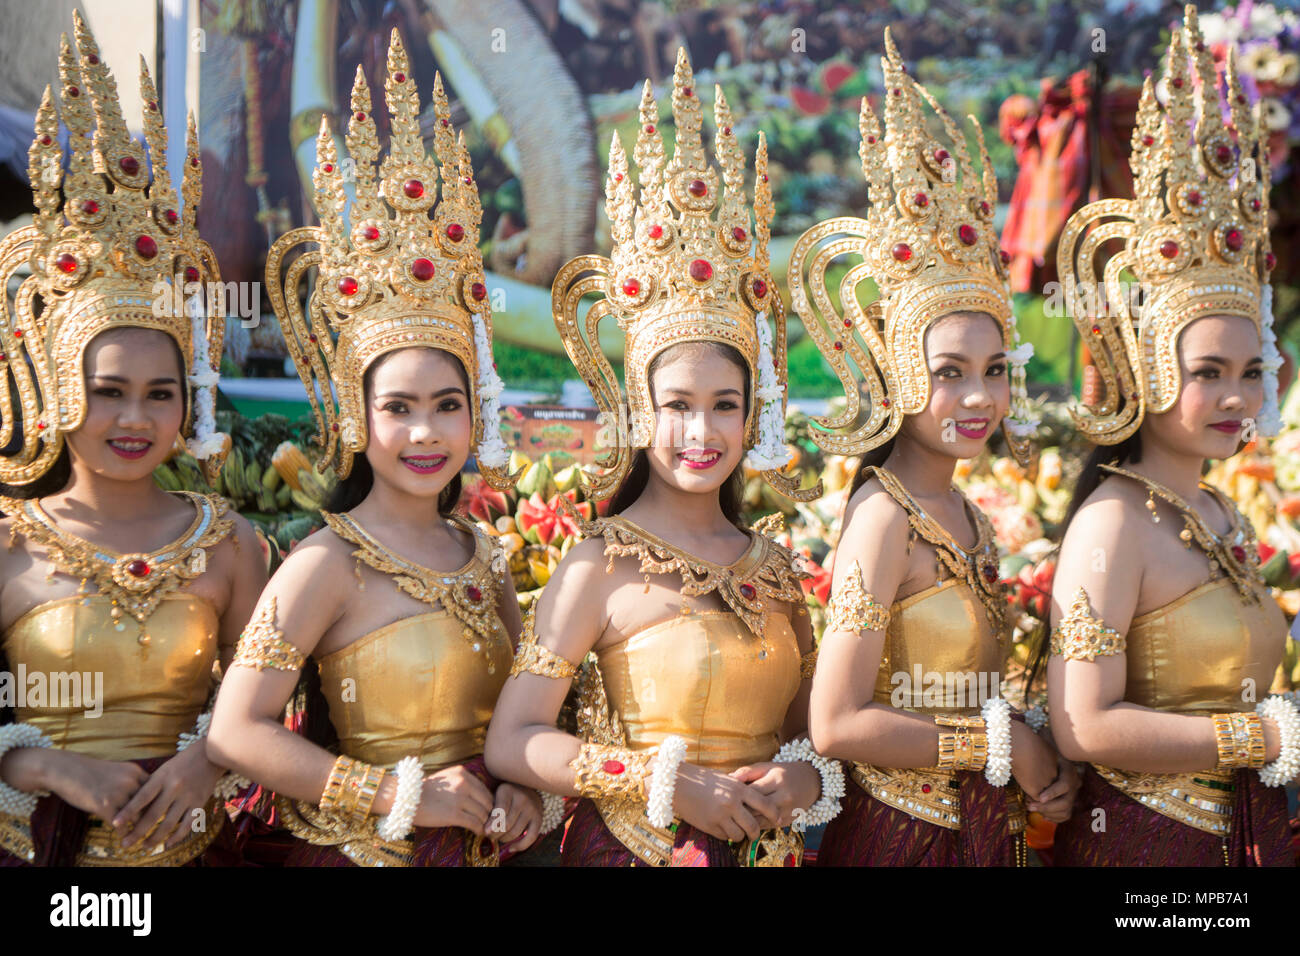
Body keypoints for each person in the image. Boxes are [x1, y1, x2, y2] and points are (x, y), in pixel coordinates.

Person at [484, 48, 844, 866]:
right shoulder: (596, 564)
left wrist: (799, 782)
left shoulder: (775, 566)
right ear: (635, 410)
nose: (701, 433)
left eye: (725, 406)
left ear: (755, 417)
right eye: (676, 406)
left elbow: (811, 743)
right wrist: (664, 782)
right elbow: (514, 741)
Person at [206, 31, 557, 867]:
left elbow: (522, 722)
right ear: (358, 417)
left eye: (448, 406)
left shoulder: (483, 554)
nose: (427, 432)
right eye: (398, 408)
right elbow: (236, 730)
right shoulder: (325, 563)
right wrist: (396, 793)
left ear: (477, 415)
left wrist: (523, 788)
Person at [792, 29, 1078, 866]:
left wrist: (1025, 747)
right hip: (899, 837)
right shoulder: (885, 518)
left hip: (977, 831)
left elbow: (963, 698)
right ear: (891, 373)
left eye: (993, 370)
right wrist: (1004, 748)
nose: (980, 397)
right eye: (948, 372)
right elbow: (836, 723)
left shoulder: (959, 509)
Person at [0, 13, 266, 866]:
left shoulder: (229, 545)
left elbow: (280, 709)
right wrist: (46, 765)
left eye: (161, 394)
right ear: (54, 388)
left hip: (203, 849)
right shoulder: (7, 544)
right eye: (106, 392)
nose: (134, 419)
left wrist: (207, 763)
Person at [1045, 4, 1298, 867]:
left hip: (1240, 841)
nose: (1236, 398)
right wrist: (1257, 738)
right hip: (1146, 852)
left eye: (1250, 371)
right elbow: (1083, 723)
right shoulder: (1114, 522)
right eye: (1207, 374)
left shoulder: (1217, 505)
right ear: (1145, 373)